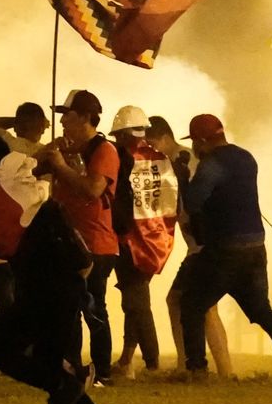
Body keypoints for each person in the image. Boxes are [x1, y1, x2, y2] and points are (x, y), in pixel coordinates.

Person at [0, 136, 117, 404]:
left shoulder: (3, 195)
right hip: (58, 287)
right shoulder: (26, 187)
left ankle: (81, 402)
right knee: (46, 363)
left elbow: (5, 244)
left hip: (46, 290)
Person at [175, 113, 272, 380]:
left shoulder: (212, 165)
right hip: (255, 247)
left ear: (203, 140)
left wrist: (184, 179)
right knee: (262, 310)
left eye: (195, 141)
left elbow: (193, 203)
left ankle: (197, 370)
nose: (193, 147)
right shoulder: (246, 158)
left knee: (192, 303)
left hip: (225, 249)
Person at [41, 89, 120, 385]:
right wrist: (48, 154)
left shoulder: (104, 150)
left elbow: (93, 189)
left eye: (68, 115)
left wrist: (60, 167)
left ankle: (102, 373)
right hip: (67, 241)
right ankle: (72, 368)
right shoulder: (67, 149)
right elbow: (30, 171)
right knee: (67, 308)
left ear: (86, 117)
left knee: (93, 308)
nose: (62, 122)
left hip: (95, 243)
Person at [153, 116, 231, 375]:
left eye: (151, 143)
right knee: (199, 305)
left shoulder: (184, 160)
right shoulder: (176, 160)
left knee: (188, 302)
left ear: (164, 138)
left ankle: (192, 365)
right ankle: (220, 369)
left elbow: (198, 197)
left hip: (203, 244)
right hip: (201, 243)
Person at [107, 106, 176, 376]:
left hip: (129, 240)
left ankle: (152, 363)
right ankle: (127, 361)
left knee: (135, 303)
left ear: (122, 134)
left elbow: (118, 200)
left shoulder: (121, 157)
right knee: (135, 300)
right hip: (157, 239)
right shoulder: (159, 158)